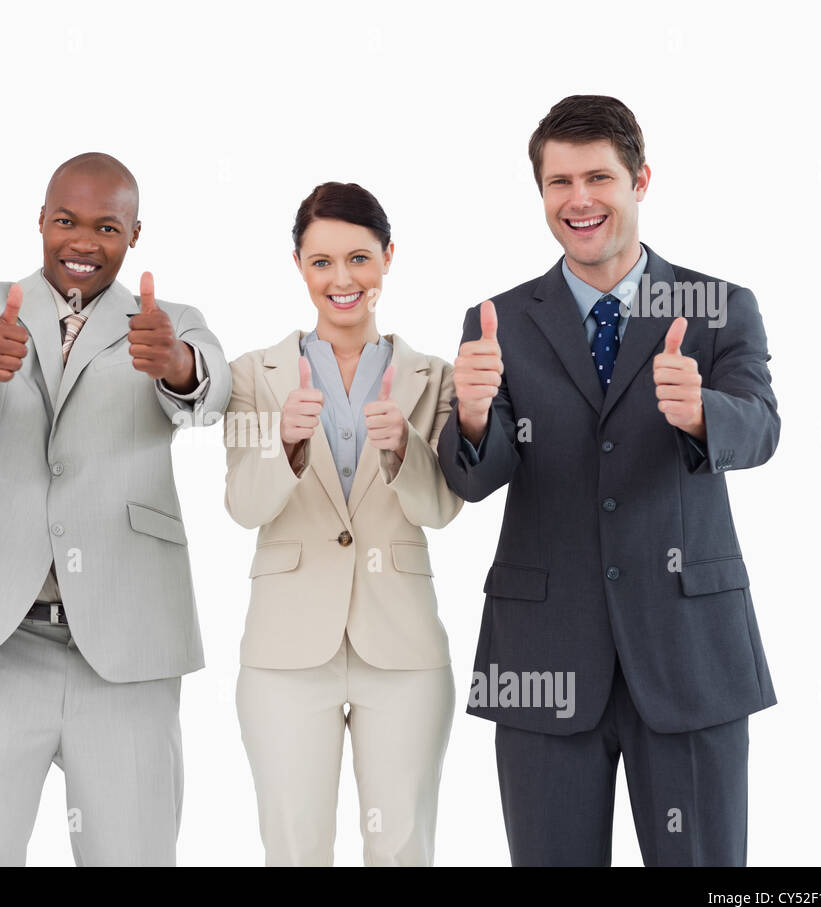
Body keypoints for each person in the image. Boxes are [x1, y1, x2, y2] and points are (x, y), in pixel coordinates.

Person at [437, 95, 780, 866]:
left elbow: (761, 427)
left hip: (690, 652)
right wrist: (469, 417)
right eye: (559, 182)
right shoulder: (497, 321)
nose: (579, 200)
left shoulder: (716, 307)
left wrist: (702, 416)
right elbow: (475, 480)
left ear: (640, 180)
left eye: (598, 177)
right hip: (544, 660)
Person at [0, 152, 231, 866]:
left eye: (106, 227)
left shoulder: (170, 323)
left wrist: (175, 365)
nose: (82, 242)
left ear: (136, 234)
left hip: (127, 645)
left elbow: (213, 390)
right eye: (65, 222)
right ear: (40, 222)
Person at [223, 182, 463, 866]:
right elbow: (243, 506)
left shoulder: (434, 377)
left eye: (359, 258)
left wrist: (404, 452)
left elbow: (443, 509)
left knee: (402, 848)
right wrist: (287, 447)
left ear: (388, 259)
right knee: (295, 850)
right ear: (299, 265)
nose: (342, 279)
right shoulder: (254, 375)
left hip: (405, 649)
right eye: (322, 261)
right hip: (286, 652)